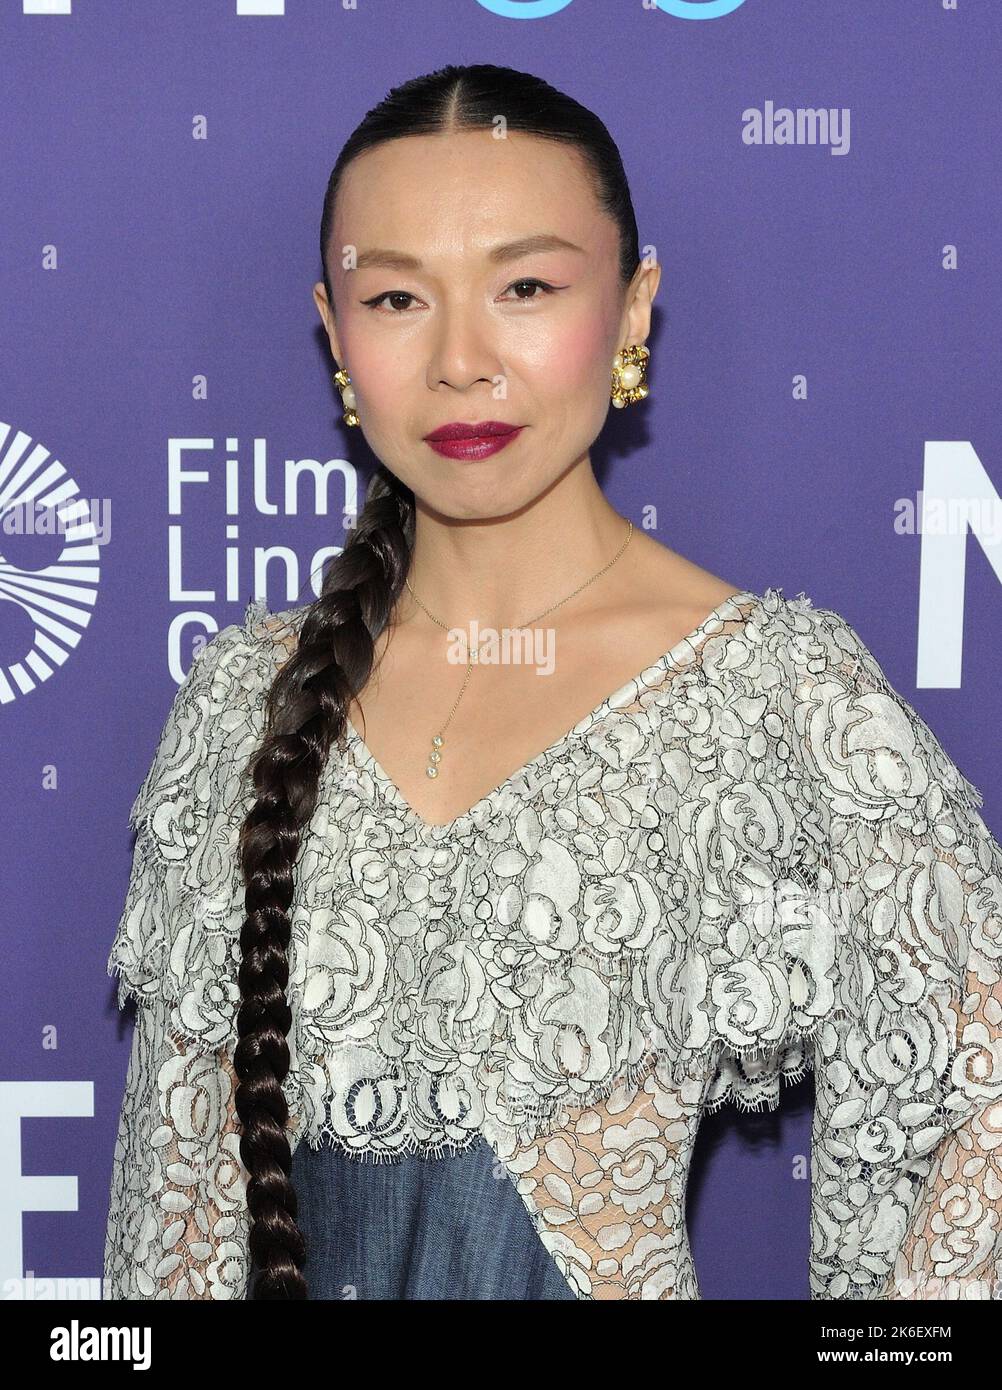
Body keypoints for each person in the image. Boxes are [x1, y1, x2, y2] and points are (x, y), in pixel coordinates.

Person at [102, 63, 1002, 1302]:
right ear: (334, 329)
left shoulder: (778, 699)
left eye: (526, 286)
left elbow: (978, 1104)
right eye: (400, 297)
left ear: (634, 309)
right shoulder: (241, 698)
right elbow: (176, 1206)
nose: (463, 361)